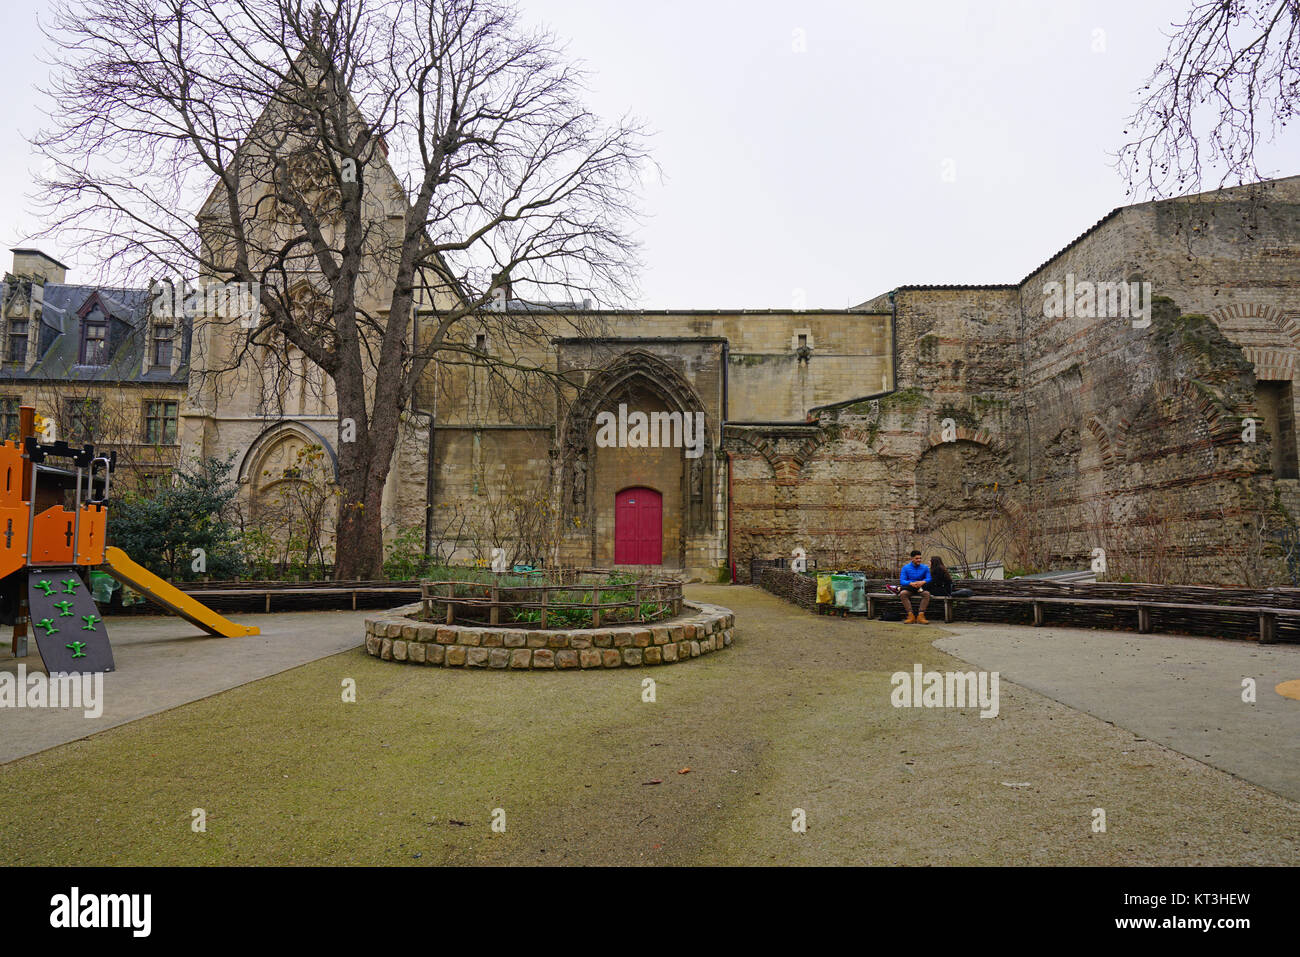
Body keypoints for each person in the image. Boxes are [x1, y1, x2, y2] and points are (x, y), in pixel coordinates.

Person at [898, 551, 931, 623]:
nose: (919, 560)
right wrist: (910, 583)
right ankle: (910, 616)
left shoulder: (925, 568)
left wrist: (923, 582)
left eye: (920, 558)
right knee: (903, 593)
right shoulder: (905, 568)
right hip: (910, 588)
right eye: (917, 558)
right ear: (912, 559)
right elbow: (902, 581)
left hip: (920, 588)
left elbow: (929, 578)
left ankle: (921, 616)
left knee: (927, 594)